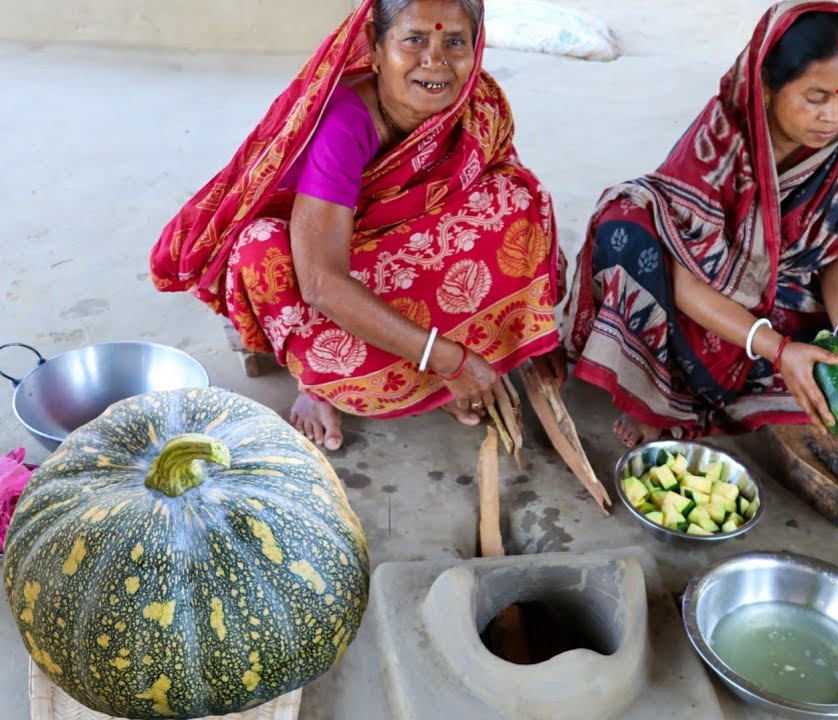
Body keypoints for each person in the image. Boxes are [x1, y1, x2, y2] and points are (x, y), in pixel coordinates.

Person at [151, 0, 566, 451]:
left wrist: (528, 320)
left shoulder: (476, 103)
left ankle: (443, 370)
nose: (435, 61)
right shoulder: (343, 123)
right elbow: (320, 282)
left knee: (516, 199)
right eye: (414, 40)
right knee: (260, 251)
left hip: (396, 246)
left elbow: (503, 183)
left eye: (454, 42)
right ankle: (317, 385)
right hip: (321, 256)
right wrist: (451, 359)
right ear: (374, 44)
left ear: (476, 45)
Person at [563, 1, 838, 447]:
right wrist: (776, 347)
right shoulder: (719, 145)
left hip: (797, 306)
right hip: (708, 319)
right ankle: (665, 398)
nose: (833, 116)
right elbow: (678, 277)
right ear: (768, 85)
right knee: (627, 227)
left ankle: (821, 386)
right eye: (816, 98)